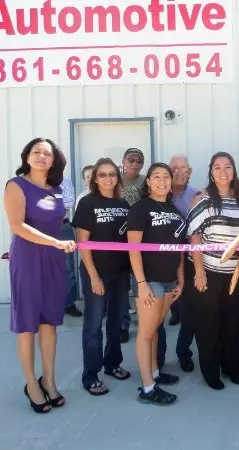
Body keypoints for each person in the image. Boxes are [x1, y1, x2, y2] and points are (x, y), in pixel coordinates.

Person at [4, 138, 76, 413]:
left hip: (53, 261)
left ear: (54, 160)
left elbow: (59, 225)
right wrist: (55, 243)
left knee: (49, 323)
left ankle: (50, 380)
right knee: (27, 325)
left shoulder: (56, 189)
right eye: (37, 152)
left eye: (47, 153)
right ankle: (32, 384)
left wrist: (60, 244)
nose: (42, 157)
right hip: (28, 260)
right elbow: (17, 225)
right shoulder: (16, 185)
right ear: (27, 156)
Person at [184, 152, 239, 390]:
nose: (223, 171)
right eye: (217, 167)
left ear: (234, 172)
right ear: (211, 173)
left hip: (237, 272)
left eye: (227, 167)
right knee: (208, 323)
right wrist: (199, 272)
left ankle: (232, 367)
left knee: (233, 323)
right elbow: (194, 237)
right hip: (209, 272)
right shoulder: (202, 200)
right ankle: (211, 371)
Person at [128, 163, 185, 405]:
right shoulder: (141, 208)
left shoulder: (174, 209)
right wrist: (141, 283)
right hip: (150, 281)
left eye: (166, 177)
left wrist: (181, 279)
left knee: (154, 332)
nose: (162, 181)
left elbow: (179, 248)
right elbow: (134, 248)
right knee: (146, 333)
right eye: (157, 177)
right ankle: (148, 389)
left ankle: (154, 374)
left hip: (170, 279)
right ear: (148, 182)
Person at [73, 158, 131, 396]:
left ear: (117, 178)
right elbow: (82, 244)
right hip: (96, 272)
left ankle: (112, 363)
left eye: (112, 174)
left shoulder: (124, 203)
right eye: (103, 175)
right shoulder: (87, 203)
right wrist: (94, 277)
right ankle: (91, 375)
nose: (108, 179)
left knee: (116, 323)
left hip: (120, 273)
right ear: (95, 179)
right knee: (94, 325)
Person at [169, 154, 200, 372]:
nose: (179, 172)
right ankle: (155, 360)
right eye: (174, 168)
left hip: (189, 260)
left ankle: (183, 352)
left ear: (189, 172)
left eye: (183, 168)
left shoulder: (197, 195)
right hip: (163, 260)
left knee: (190, 310)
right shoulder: (159, 194)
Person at [120, 147, 146, 343]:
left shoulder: (146, 181)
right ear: (123, 161)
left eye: (139, 161)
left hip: (140, 237)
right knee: (122, 284)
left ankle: (143, 319)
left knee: (139, 280)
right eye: (131, 160)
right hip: (119, 237)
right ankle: (123, 325)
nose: (135, 164)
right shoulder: (115, 180)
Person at [60, 177, 82, 317]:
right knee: (41, 267)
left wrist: (44, 202)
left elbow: (69, 202)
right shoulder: (33, 180)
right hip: (40, 227)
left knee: (67, 267)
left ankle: (68, 303)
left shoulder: (65, 181)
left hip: (63, 226)